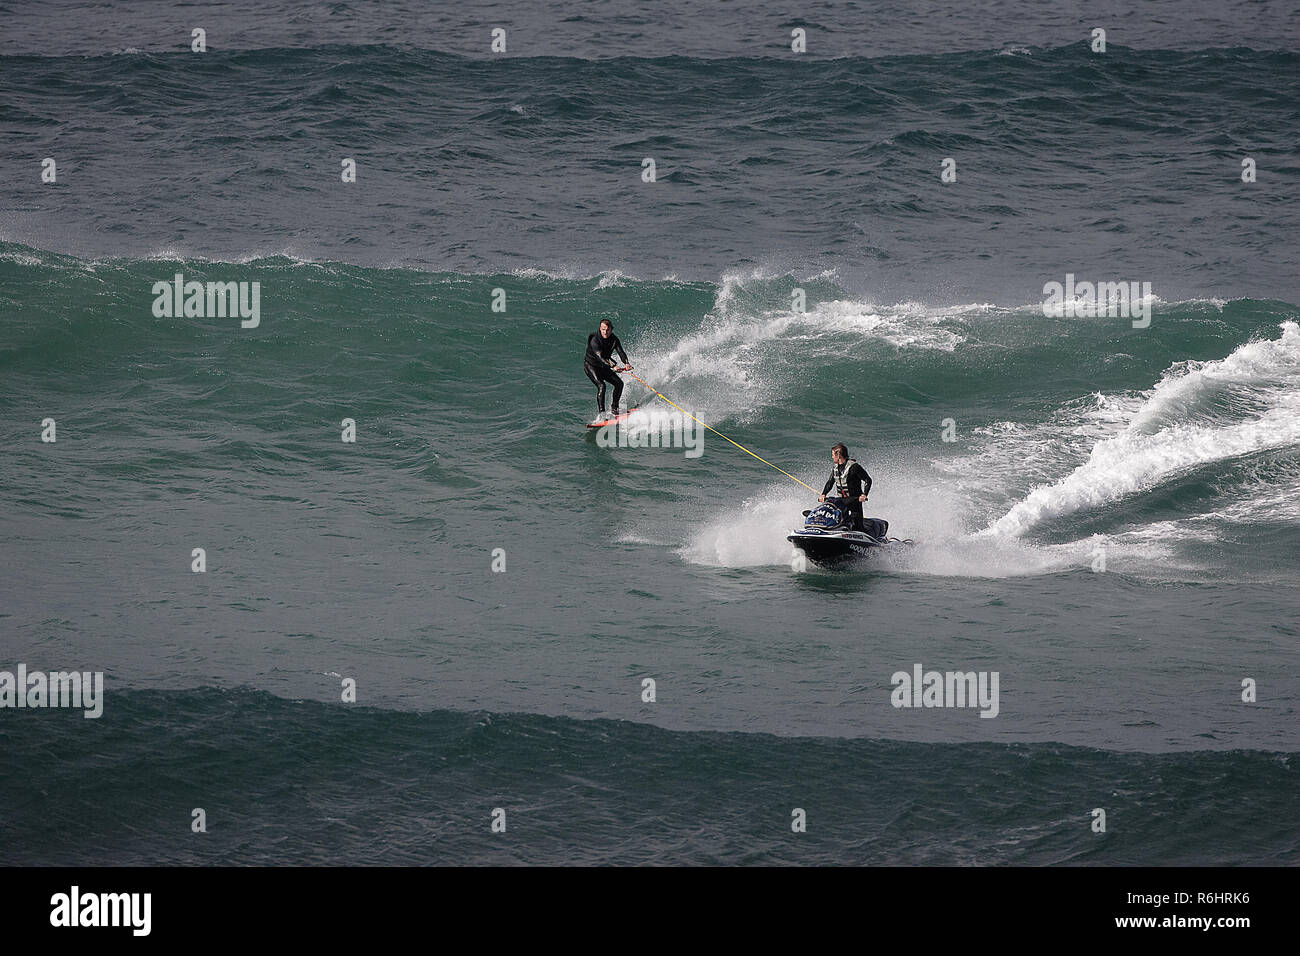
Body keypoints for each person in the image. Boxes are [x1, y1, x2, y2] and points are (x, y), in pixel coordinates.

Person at [584, 319, 632, 419]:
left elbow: (621, 352)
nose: (605, 332)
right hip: (591, 366)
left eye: (607, 330)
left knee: (619, 384)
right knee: (601, 385)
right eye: (603, 329)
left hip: (603, 367)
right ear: (600, 329)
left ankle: (615, 408)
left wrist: (627, 363)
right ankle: (602, 414)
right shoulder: (595, 339)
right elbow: (600, 357)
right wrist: (613, 366)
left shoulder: (614, 340)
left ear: (611, 329)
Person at [819, 443, 872, 532]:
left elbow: (868, 480)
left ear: (838, 455)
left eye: (833, 455)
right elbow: (830, 482)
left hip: (855, 500)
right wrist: (823, 494)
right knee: (839, 521)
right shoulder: (836, 468)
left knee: (857, 526)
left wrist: (864, 495)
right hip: (842, 501)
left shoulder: (854, 467)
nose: (832, 457)